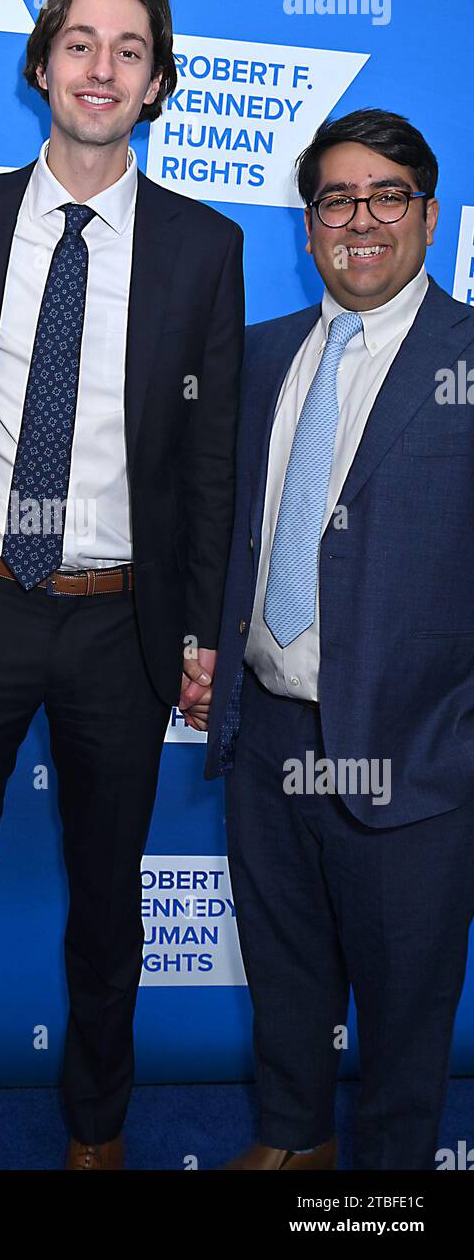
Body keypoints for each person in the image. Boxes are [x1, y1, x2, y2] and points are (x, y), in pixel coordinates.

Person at [0, 0, 244, 1170]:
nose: (102, 68)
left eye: (130, 50)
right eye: (80, 44)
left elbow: (209, 467)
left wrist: (201, 632)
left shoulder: (206, 248)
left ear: (156, 85)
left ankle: (97, 1130)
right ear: (42, 65)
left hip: (120, 627)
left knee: (109, 908)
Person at [205, 108, 474, 1171]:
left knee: (408, 1010)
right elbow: (231, 527)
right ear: (309, 225)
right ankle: (293, 1140)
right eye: (336, 199)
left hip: (417, 752)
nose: (361, 219)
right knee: (285, 970)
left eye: (387, 195)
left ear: (428, 213)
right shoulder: (262, 356)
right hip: (268, 736)